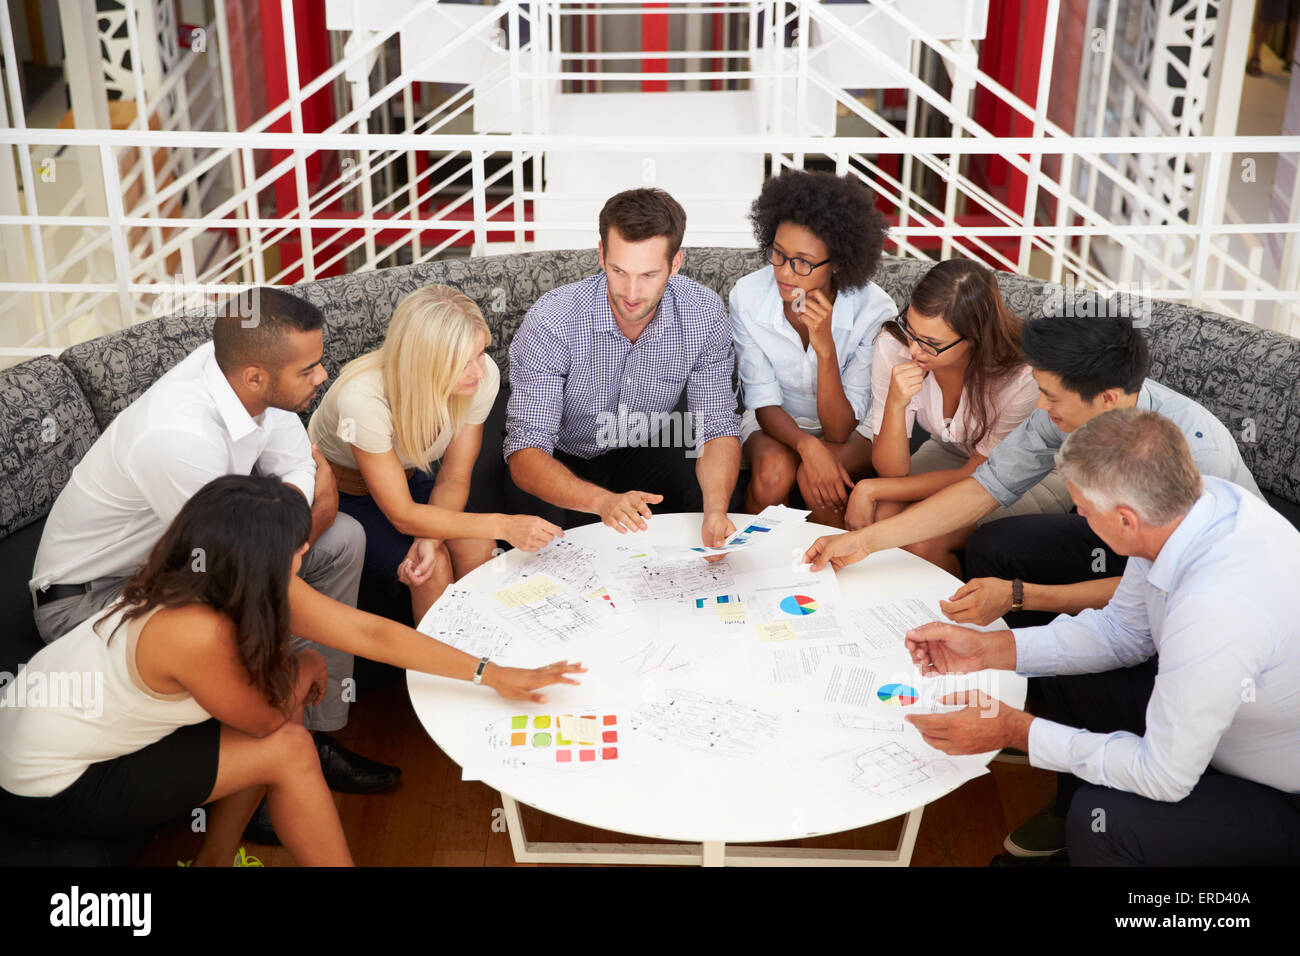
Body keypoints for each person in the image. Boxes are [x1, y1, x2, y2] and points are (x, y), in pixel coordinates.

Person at [0, 476, 585, 867]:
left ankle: (213, 862)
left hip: (68, 733)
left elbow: (371, 633)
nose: (306, 553)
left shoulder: (218, 577)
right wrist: (304, 662)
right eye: (298, 547)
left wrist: (491, 673)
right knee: (288, 747)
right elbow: (264, 722)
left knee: (282, 725)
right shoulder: (190, 630)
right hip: (49, 781)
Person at [29, 286, 397, 798]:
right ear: (256, 376)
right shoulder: (179, 437)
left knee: (343, 538)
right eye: (309, 369)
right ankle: (262, 760)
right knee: (245, 599)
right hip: (91, 599)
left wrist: (297, 522)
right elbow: (236, 567)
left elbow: (298, 464)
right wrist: (308, 516)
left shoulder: (246, 375)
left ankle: (312, 734)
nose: (322, 376)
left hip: (184, 562)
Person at [901, 410, 1300, 865]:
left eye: (1085, 512)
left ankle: (1097, 842)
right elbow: (1121, 632)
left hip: (1279, 790)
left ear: (1126, 519)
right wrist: (988, 650)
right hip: (1228, 729)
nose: (1080, 519)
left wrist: (1015, 729)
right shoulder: (1190, 506)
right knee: (1069, 679)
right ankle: (1076, 829)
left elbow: (1166, 775)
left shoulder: (1215, 608)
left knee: (1105, 820)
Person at [806, 315, 1263, 616]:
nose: (1040, 406)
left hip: (1201, 586)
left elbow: (1159, 587)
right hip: (1110, 533)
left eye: (1051, 396)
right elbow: (981, 489)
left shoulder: (1197, 458)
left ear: (1107, 399)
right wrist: (863, 541)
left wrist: (1020, 597)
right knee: (991, 547)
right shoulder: (1062, 411)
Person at [504, 188, 742, 550]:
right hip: (563, 456)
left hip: (647, 445)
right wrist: (602, 502)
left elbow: (717, 427)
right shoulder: (553, 319)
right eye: (619, 271)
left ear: (675, 264)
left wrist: (716, 511)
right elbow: (527, 449)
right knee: (539, 532)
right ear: (601, 255)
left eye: (648, 275)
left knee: (711, 496)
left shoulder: (703, 313)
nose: (631, 293)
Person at [309, 285, 562, 622]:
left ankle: (484, 644)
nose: (479, 371)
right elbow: (401, 513)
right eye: (462, 363)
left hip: (406, 478)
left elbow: (454, 477)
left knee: (479, 544)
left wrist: (429, 538)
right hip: (343, 494)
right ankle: (438, 657)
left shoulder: (481, 377)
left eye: (480, 353)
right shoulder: (362, 399)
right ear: (424, 363)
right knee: (433, 567)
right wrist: (505, 525)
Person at [849, 259, 1049, 574]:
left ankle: (952, 605)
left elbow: (978, 474)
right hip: (952, 453)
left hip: (1026, 472)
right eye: (911, 330)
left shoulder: (1020, 376)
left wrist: (870, 488)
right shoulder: (895, 344)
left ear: (973, 338)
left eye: (932, 344)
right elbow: (892, 470)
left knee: (923, 540)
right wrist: (895, 405)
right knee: (883, 514)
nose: (915, 350)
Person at [729, 169, 894, 529]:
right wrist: (807, 445)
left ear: (837, 262)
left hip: (853, 428)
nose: (785, 273)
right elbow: (763, 402)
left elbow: (839, 431)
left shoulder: (874, 310)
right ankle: (753, 558)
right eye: (778, 254)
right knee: (773, 473)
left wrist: (825, 348)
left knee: (816, 480)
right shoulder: (748, 296)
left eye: (803, 262)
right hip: (775, 421)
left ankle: (829, 559)